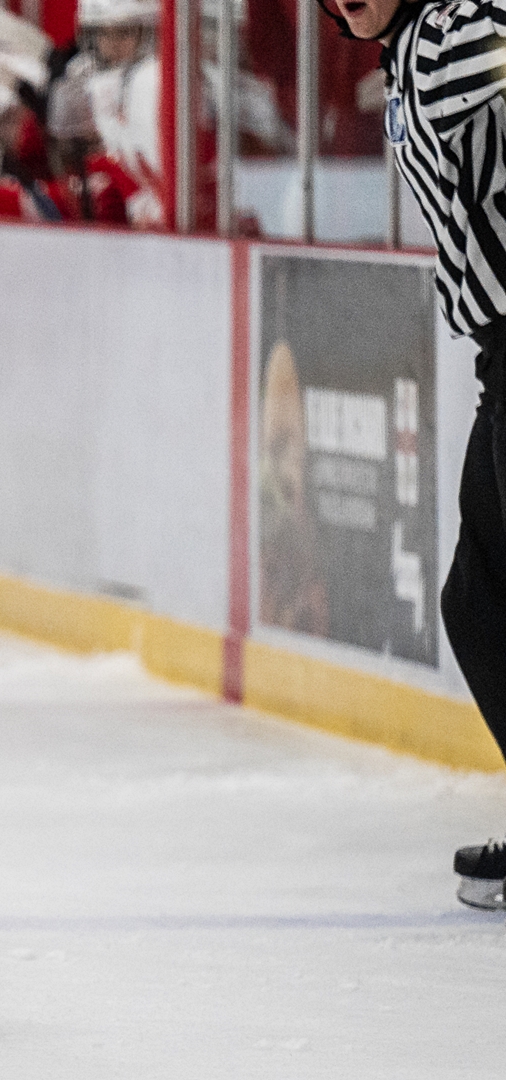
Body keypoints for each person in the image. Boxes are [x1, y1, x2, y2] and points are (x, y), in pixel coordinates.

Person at [345, 0, 506, 911]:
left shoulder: (458, 28)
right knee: (479, 602)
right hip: (501, 354)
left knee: (486, 600)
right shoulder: (418, 46)